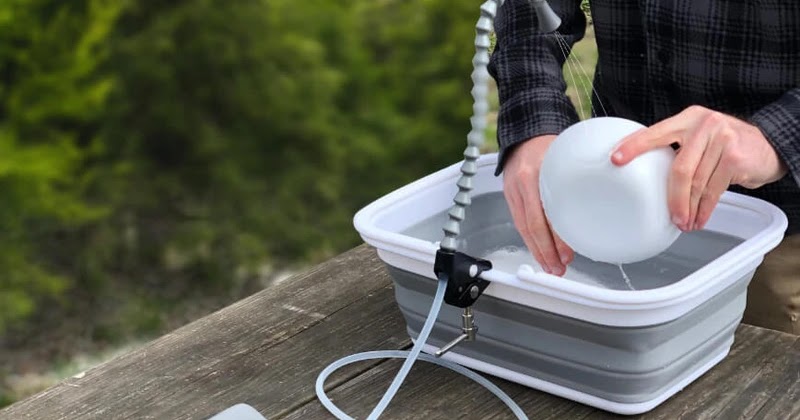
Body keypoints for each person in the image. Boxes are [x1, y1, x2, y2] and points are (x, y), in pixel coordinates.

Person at [487, 0, 800, 334]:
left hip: (773, 236)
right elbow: (531, 10)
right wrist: (533, 117)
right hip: (604, 203)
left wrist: (776, 135)